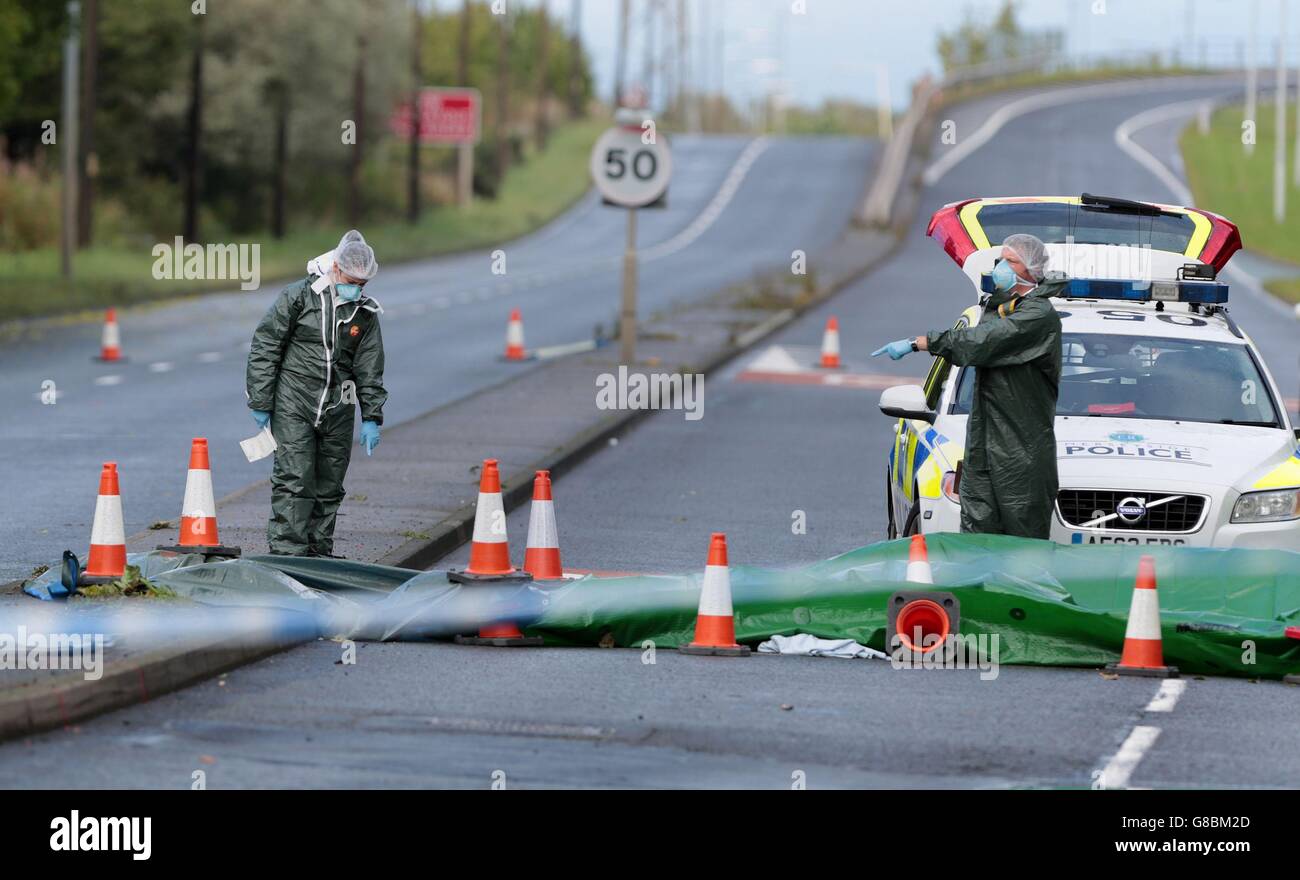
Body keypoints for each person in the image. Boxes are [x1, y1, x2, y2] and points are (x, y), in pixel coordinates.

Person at [872, 233, 1065, 539]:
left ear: (1030, 270)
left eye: (1009, 261)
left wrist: (919, 342)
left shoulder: (1038, 317)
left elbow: (981, 342)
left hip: (1021, 458)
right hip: (983, 450)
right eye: (999, 259)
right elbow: (984, 335)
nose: (1000, 266)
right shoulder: (1003, 309)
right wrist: (998, 302)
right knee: (975, 543)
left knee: (1021, 550)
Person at [246, 230, 387, 557]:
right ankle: (288, 555)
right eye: (352, 281)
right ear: (336, 268)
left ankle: (318, 554)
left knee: (329, 485)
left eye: (362, 284)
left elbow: (369, 366)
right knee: (295, 479)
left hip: (338, 408)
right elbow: (266, 345)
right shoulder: (299, 297)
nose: (356, 289)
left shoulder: (364, 314)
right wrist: (262, 400)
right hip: (294, 403)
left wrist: (371, 416)